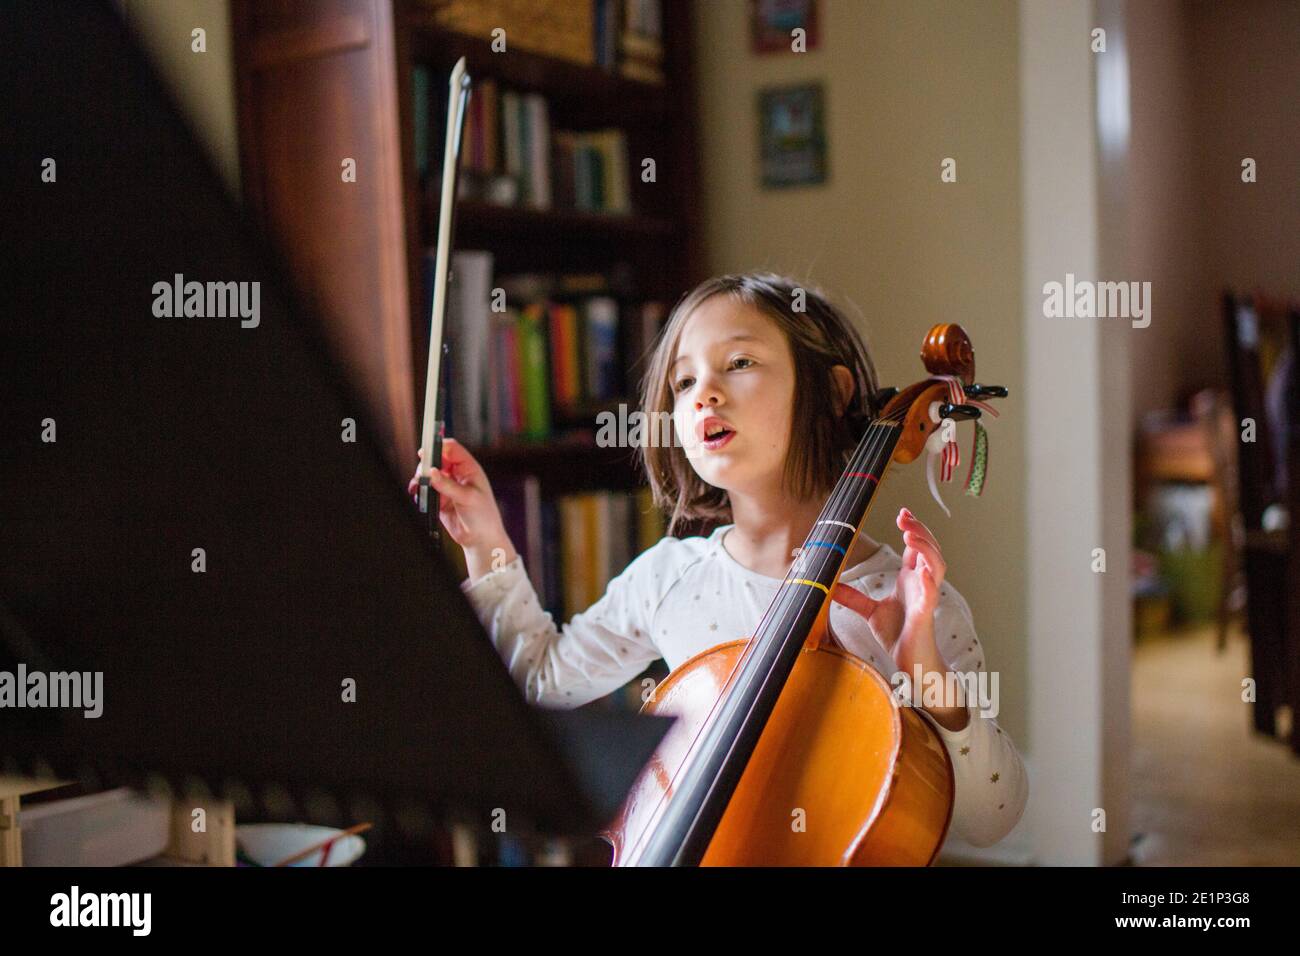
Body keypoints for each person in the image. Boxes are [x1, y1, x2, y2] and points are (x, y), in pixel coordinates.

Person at [409, 271, 1028, 850]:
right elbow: (542, 680)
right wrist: (485, 540)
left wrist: (923, 667)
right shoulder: (669, 578)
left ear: (832, 392)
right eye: (683, 382)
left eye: (739, 363)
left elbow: (989, 819)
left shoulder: (908, 601)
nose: (704, 392)